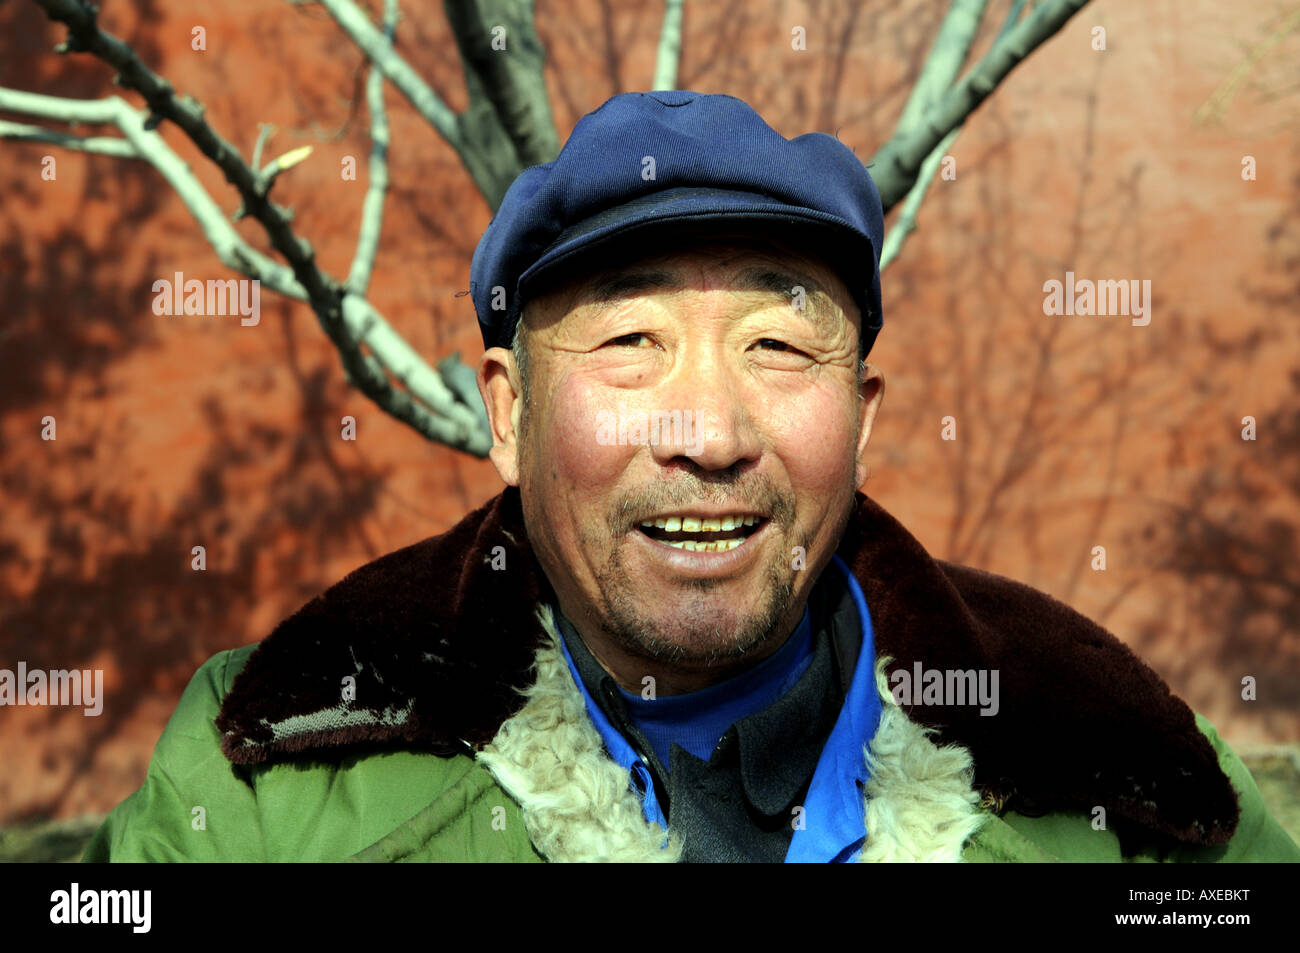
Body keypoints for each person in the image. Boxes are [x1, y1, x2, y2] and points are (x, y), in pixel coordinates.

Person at [84, 91, 1298, 862]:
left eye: (777, 345)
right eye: (628, 342)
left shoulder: (1128, 775)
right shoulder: (268, 770)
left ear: (862, 415)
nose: (709, 430)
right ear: (506, 414)